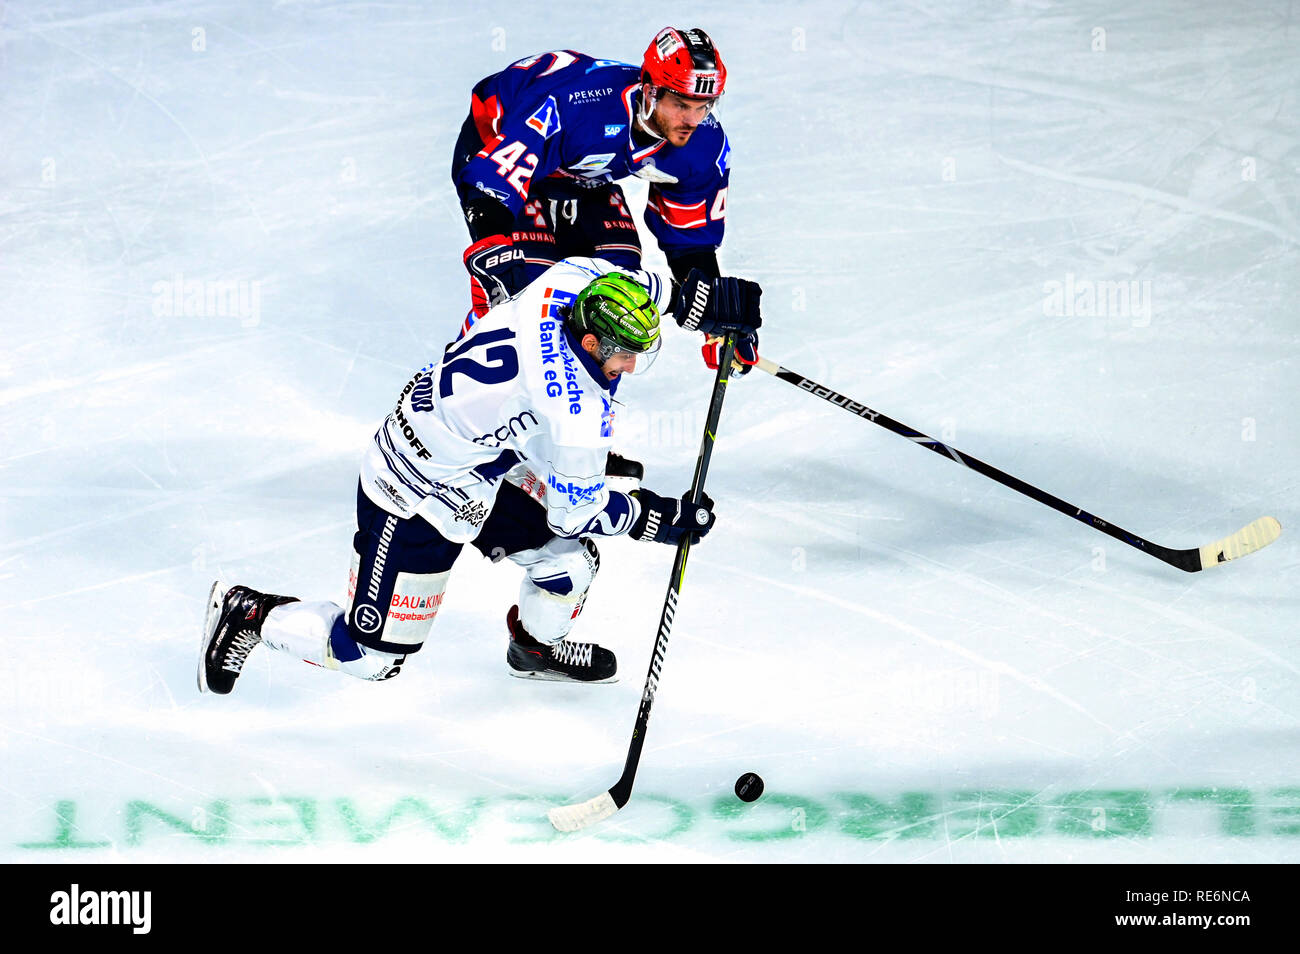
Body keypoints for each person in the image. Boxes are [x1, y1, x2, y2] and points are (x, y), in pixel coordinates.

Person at [198, 260, 762, 692]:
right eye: (621, 354)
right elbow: (579, 510)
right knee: (371, 658)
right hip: (414, 489)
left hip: (482, 462)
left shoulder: (569, 282)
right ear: (590, 343)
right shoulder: (575, 412)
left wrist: (706, 303)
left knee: (568, 564)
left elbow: (640, 284)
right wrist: (653, 518)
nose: (631, 367)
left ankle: (534, 649)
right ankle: (249, 612)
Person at [451, 26, 755, 375]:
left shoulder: (705, 145)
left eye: (704, 106)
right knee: (523, 289)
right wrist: (498, 260)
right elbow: (490, 188)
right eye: (681, 105)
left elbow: (690, 242)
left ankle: (578, 407)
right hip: (499, 147)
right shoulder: (578, 107)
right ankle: (457, 384)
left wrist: (715, 318)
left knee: (620, 296)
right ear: (651, 91)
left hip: (585, 174)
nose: (692, 120)